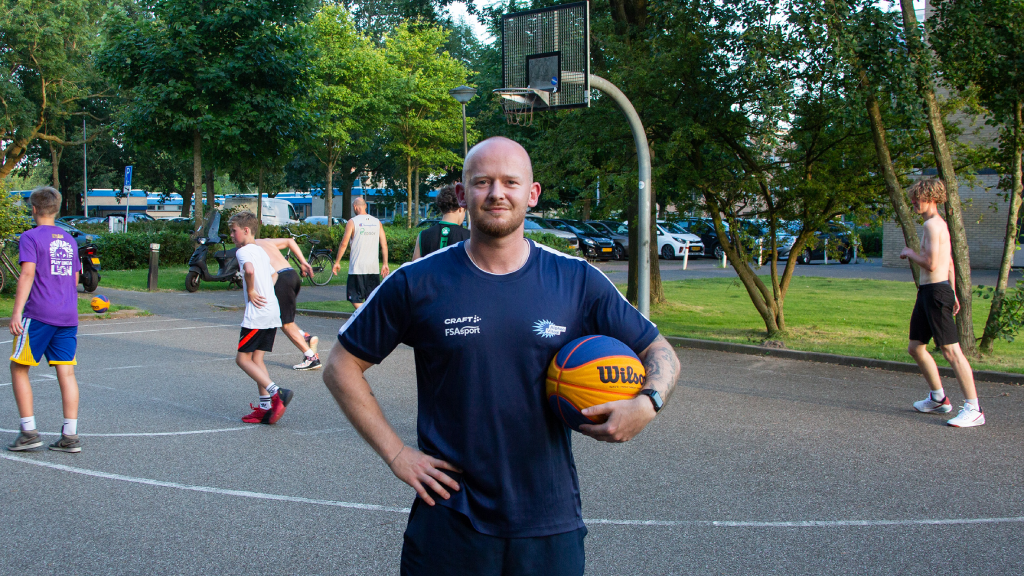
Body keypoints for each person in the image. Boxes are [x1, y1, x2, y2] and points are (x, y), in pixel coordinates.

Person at [322, 137, 681, 575]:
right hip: (450, 518)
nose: (497, 193)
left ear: (532, 194)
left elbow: (658, 350)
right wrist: (398, 454)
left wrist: (648, 403)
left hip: (549, 519)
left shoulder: (575, 279)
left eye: (511, 182)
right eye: (482, 182)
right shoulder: (417, 282)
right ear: (462, 194)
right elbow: (341, 365)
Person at [900, 178, 983, 427]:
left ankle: (973, 409)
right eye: (913, 197)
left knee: (951, 351)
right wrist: (954, 291)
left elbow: (934, 264)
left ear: (932, 199)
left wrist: (910, 253)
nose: (914, 201)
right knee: (916, 347)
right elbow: (949, 262)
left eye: (918, 197)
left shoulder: (933, 226)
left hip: (935, 292)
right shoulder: (935, 224)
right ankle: (938, 399)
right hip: (931, 291)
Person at [7, 187, 84, 453]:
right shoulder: (69, 239)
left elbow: (27, 274)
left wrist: (16, 312)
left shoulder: (30, 237)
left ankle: (29, 432)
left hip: (40, 313)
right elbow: (74, 279)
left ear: (34, 209)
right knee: (67, 372)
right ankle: (70, 436)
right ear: (58, 208)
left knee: (18, 367)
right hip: (67, 315)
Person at [230, 211, 293, 424]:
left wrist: (251, 291)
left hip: (257, 316)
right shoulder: (259, 251)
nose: (231, 235)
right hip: (271, 312)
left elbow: (248, 271)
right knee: (256, 359)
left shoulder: (244, 251)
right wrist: (265, 290)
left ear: (246, 230)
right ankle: (265, 407)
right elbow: (274, 274)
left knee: (242, 359)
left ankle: (277, 392)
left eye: (233, 231)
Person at [253, 237, 320, 370]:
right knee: (284, 317)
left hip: (280, 279)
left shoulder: (249, 247)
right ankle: (304, 337)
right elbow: (290, 240)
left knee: (284, 323)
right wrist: (303, 262)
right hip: (292, 275)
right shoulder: (265, 241)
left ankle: (311, 358)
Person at [331, 198, 389, 309]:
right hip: (373, 268)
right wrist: (385, 263)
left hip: (357, 268)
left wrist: (337, 262)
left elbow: (344, 244)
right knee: (371, 299)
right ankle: (370, 318)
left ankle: (366, 316)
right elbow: (384, 245)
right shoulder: (377, 222)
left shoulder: (352, 222)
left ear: (355, 207)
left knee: (354, 298)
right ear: (365, 206)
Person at [412, 184, 469, 260]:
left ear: (441, 208)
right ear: (460, 208)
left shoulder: (423, 235)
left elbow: (415, 268)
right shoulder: (469, 237)